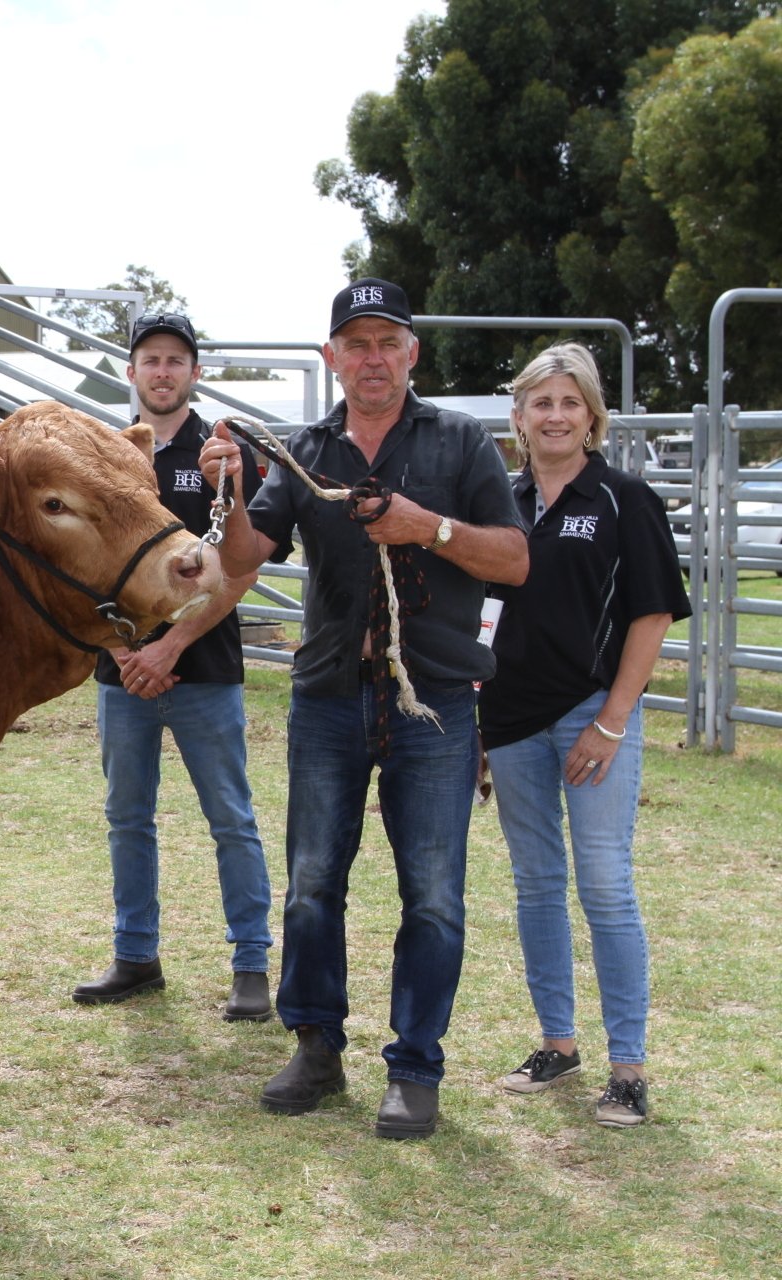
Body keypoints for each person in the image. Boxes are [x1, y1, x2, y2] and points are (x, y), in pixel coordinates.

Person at [198, 277, 528, 1139]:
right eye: (357, 344)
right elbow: (245, 557)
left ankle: (414, 1066)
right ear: (332, 358)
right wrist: (229, 489)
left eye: (387, 343)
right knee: (312, 883)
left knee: (434, 895)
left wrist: (430, 528)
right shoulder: (307, 451)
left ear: (412, 353)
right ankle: (316, 1046)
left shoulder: (460, 442)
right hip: (329, 698)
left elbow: (514, 560)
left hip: (435, 702)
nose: (373, 359)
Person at [480, 343, 687, 1128]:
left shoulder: (625, 499)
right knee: (536, 882)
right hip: (509, 718)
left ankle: (627, 1069)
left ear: (593, 416)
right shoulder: (500, 502)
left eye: (570, 402)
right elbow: (482, 616)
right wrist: (477, 723)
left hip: (590, 713)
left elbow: (653, 614)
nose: (556, 416)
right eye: (542, 403)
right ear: (520, 417)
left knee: (604, 884)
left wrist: (611, 722)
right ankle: (558, 1045)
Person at [71, 312, 274, 1021]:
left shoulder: (222, 454)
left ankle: (252, 962)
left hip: (204, 668)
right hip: (122, 674)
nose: (163, 372)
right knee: (127, 818)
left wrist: (171, 646)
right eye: (151, 360)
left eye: (175, 360)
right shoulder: (102, 456)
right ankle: (135, 954)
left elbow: (242, 567)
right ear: (131, 372)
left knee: (231, 819)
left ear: (194, 372)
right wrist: (122, 650)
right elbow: (80, 565)